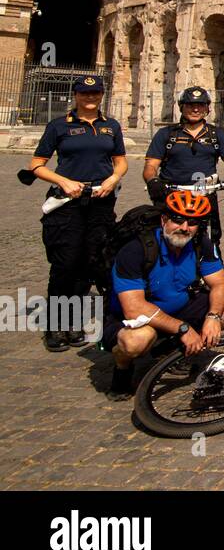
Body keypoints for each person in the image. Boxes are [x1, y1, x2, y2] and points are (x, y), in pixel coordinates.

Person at [102, 191, 224, 400]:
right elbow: (134, 308)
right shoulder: (136, 249)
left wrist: (213, 316)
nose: (184, 228)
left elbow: (221, 283)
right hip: (136, 317)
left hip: (180, 307)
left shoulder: (199, 244)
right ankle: (122, 368)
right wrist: (183, 329)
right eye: (178, 220)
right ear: (164, 219)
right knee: (137, 341)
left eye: (192, 222)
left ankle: (171, 350)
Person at [28, 74, 128, 351]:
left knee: (91, 262)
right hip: (67, 202)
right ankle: (55, 325)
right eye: (85, 93)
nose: (90, 98)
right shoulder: (59, 126)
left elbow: (120, 162)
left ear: (101, 95)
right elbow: (36, 165)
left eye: (95, 93)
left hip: (100, 201)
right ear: (76, 95)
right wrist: (63, 181)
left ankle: (75, 321)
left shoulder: (111, 126)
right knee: (65, 263)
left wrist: (113, 179)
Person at [142, 85, 224, 254]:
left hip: (205, 194)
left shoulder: (216, 134)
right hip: (172, 194)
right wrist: (152, 180)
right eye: (190, 105)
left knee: (211, 240)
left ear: (207, 108)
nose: (196, 109)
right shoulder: (166, 134)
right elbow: (150, 165)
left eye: (201, 105)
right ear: (181, 106)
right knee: (166, 238)